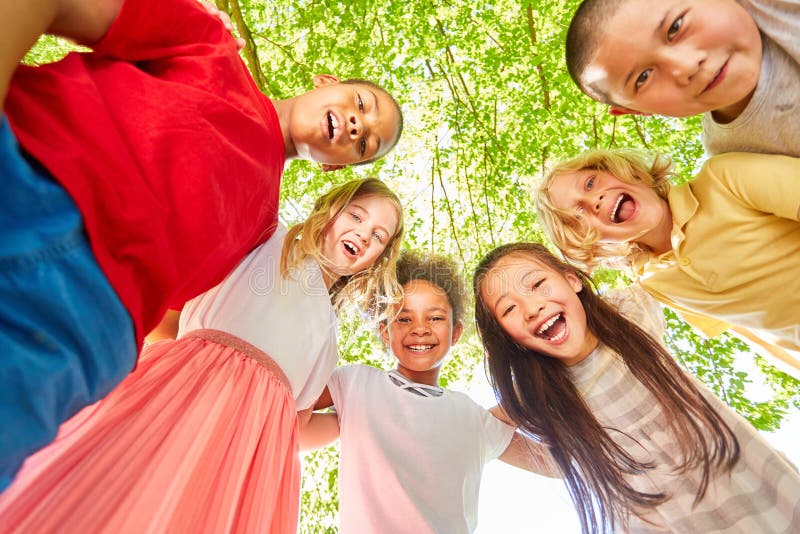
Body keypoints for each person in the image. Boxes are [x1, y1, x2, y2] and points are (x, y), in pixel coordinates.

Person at [0, 0, 404, 487]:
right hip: (31, 189)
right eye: (363, 103)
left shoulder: (255, 233)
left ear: (333, 165)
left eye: (365, 146)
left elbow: (170, 320)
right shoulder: (212, 48)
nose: (360, 126)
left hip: (84, 331)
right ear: (326, 82)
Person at [0, 177, 404, 533]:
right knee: (114, 490)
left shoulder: (328, 341)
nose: (364, 234)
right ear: (331, 209)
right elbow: (170, 314)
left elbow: (293, 429)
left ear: (377, 259)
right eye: (356, 216)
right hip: (178, 398)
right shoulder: (267, 238)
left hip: (235, 454)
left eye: (379, 235)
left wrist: (357, 417)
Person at [474, 242, 800, 533]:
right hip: (656, 518)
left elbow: (666, 257)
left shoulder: (628, 313)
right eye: (509, 309)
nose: (532, 308)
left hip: (744, 482)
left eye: (537, 284)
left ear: (572, 280)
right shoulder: (536, 394)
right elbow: (481, 432)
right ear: (508, 337)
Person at [302, 251, 559, 533]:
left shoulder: (472, 417)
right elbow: (290, 419)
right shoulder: (355, 383)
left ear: (455, 333)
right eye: (403, 319)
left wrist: (533, 380)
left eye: (435, 318)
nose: (420, 329)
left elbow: (556, 464)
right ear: (385, 332)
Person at [536, 148, 800, 377]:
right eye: (578, 215)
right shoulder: (654, 283)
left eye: (591, 183)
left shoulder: (724, 180)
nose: (594, 201)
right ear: (593, 243)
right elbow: (751, 331)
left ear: (625, 171)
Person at [565, 0, 800, 157]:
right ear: (635, 111)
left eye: (675, 27)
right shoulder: (734, 164)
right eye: (643, 78)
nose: (687, 66)